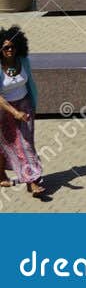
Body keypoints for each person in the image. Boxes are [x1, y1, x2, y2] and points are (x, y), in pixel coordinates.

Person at [0, 26, 45, 199]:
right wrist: (14, 112)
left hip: (25, 105)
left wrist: (29, 107)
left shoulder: (23, 61)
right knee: (5, 145)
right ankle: (1, 175)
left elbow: (29, 82)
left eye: (12, 46)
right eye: (5, 47)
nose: (10, 50)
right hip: (4, 109)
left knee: (25, 144)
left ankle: (32, 181)